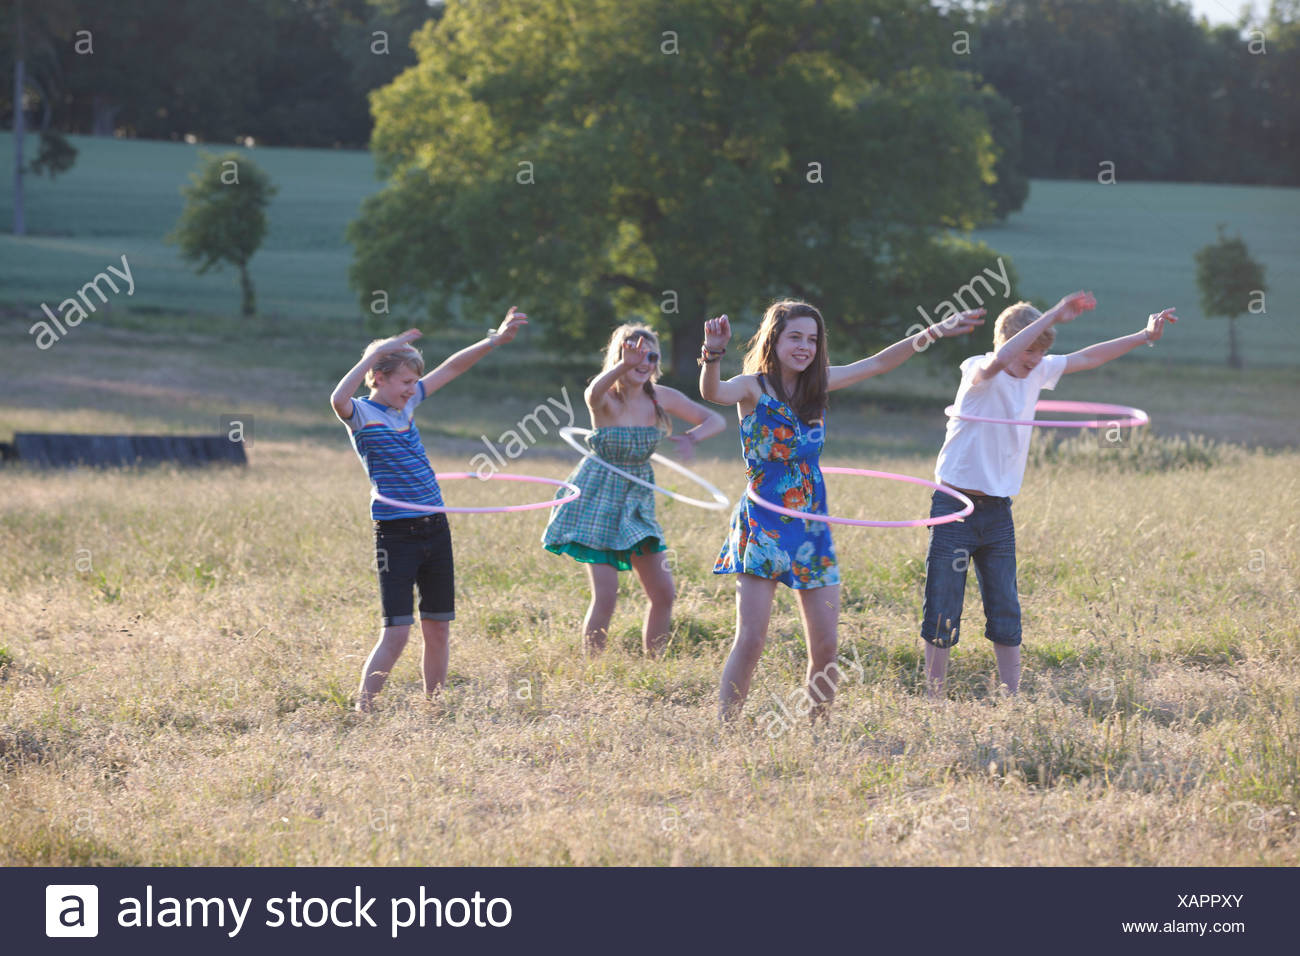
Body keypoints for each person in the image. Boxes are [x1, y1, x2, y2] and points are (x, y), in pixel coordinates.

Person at [701, 299, 983, 719]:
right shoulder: (751, 387)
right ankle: (726, 728)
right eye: (795, 337)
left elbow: (879, 363)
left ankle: (819, 731)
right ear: (774, 338)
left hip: (812, 527)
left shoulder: (820, 385)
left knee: (827, 646)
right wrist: (713, 353)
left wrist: (936, 331)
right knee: (752, 638)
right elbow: (712, 392)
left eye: (812, 339)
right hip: (763, 524)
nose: (804, 346)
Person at [921, 293, 1178, 697]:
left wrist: (1144, 335)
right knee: (944, 601)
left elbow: (1089, 357)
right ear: (1009, 342)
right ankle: (933, 700)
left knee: (1005, 604)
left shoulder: (1037, 371)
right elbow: (1001, 360)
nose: (1033, 361)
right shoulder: (979, 371)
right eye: (1029, 352)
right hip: (954, 505)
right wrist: (1055, 314)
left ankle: (1012, 695)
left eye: (1042, 354)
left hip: (999, 510)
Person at [330, 308, 529, 711]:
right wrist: (375, 353)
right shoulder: (361, 415)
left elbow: (453, 367)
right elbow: (337, 398)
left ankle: (434, 707)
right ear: (378, 378)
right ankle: (363, 709)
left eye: (415, 382)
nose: (412, 389)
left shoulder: (408, 405)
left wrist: (494, 340)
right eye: (405, 382)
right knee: (397, 632)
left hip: (435, 526)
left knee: (438, 626)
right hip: (395, 531)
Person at [543, 323, 725, 655]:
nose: (644, 361)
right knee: (607, 595)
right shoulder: (606, 399)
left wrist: (690, 438)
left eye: (651, 355)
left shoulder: (660, 397)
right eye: (635, 354)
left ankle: (653, 662)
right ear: (620, 356)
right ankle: (593, 673)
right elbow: (592, 392)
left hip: (636, 500)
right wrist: (623, 367)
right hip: (597, 496)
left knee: (664, 593)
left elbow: (716, 420)